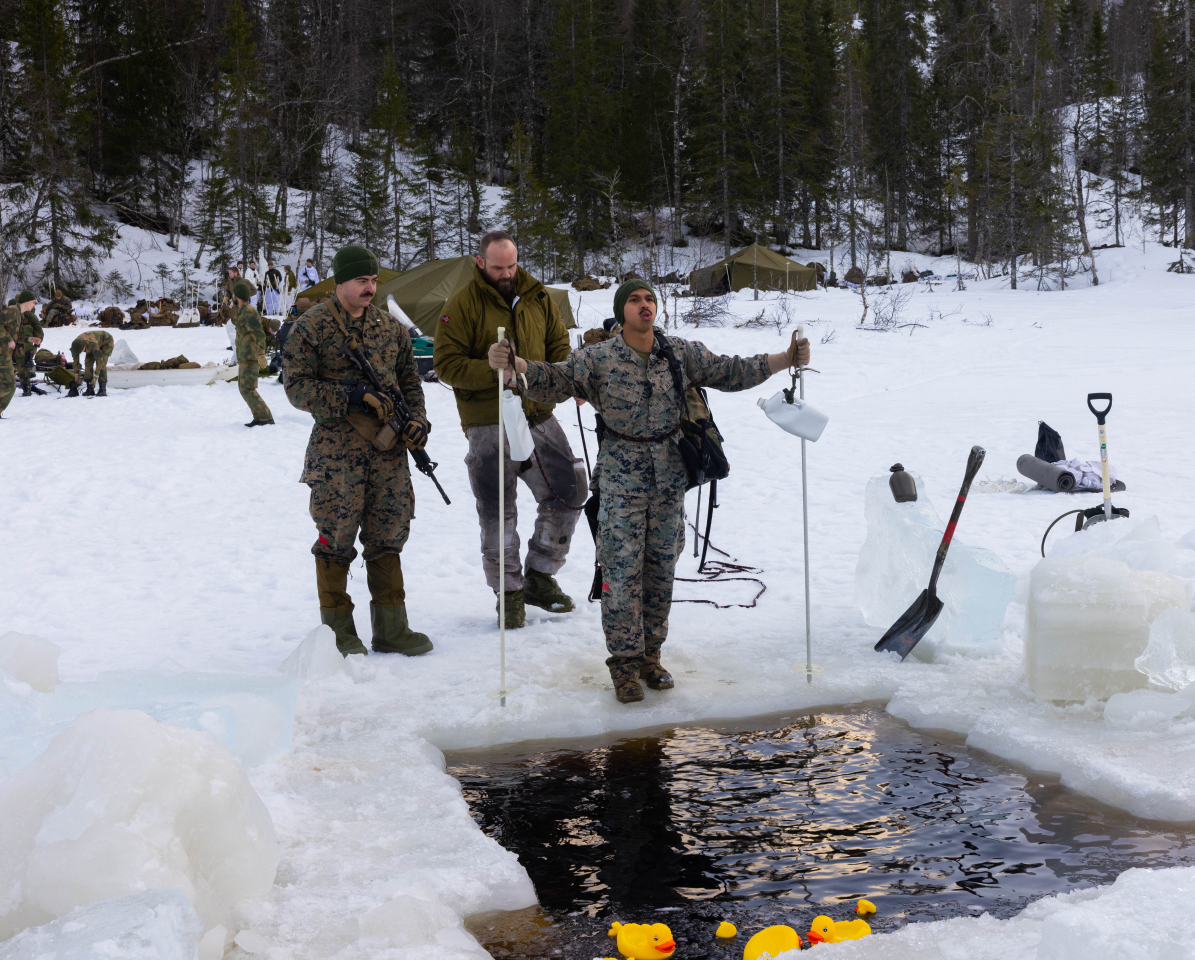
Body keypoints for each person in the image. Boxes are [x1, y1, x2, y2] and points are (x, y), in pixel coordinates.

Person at [487, 279, 810, 702]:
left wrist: (785, 358)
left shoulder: (678, 352)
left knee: (660, 575)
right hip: (621, 483)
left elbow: (729, 370)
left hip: (669, 481)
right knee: (620, 576)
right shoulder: (598, 358)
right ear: (621, 311)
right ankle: (624, 667)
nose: (645, 305)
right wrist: (517, 365)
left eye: (650, 299)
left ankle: (651, 659)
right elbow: (557, 378)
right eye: (635, 300)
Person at [282, 245, 433, 658]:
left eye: (374, 281)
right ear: (340, 282)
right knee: (335, 538)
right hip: (337, 456)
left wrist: (418, 421)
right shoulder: (311, 327)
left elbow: (410, 382)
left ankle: (392, 629)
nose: (370, 288)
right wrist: (351, 396)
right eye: (361, 281)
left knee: (388, 535)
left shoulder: (390, 328)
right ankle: (338, 636)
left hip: (388, 452)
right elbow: (296, 388)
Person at [433, 230, 578, 629]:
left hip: (538, 414)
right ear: (480, 262)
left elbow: (559, 346)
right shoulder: (462, 303)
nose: (506, 273)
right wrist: (489, 368)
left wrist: (566, 379)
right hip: (488, 419)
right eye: (498, 267)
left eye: (512, 265)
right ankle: (509, 592)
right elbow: (445, 364)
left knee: (568, 493)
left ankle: (540, 576)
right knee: (498, 511)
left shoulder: (538, 296)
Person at [0, 290, 39, 419]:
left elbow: (15, 336)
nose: (34, 305)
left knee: (10, 386)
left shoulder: (19, 315)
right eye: (33, 302)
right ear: (26, 301)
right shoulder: (12, 310)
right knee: (8, 385)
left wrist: (29, 339)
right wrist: (7, 339)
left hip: (4, 352)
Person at [230, 280, 274, 427]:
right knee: (244, 389)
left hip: (251, 357)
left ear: (237, 296)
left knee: (248, 389)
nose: (232, 296)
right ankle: (259, 417)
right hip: (244, 357)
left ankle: (266, 417)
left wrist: (261, 354)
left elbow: (259, 334)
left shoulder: (249, 312)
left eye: (234, 294)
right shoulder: (243, 311)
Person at [10, 298, 45, 396]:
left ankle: (26, 387)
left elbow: (39, 331)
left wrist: (36, 345)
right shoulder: (8, 317)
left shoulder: (29, 316)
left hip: (26, 346)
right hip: (11, 345)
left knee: (26, 329)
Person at [69, 329, 115, 397]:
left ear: (84, 347)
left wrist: (96, 377)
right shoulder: (75, 346)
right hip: (92, 343)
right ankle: (90, 389)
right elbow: (75, 361)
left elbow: (99, 361)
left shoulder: (92, 344)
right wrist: (76, 375)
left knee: (102, 365)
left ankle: (102, 390)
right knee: (88, 363)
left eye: (82, 351)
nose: (80, 353)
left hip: (106, 341)